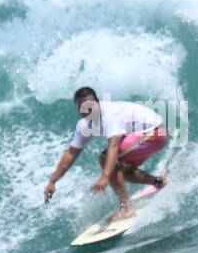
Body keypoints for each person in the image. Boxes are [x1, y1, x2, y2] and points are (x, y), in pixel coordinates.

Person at [43, 87, 169, 221]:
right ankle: (158, 181)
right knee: (120, 172)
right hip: (141, 137)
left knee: (106, 160)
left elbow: (113, 146)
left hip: (155, 133)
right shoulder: (84, 125)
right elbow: (71, 154)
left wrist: (105, 177)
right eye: (82, 107)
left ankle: (127, 209)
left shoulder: (109, 114)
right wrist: (53, 181)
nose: (87, 110)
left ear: (98, 102)